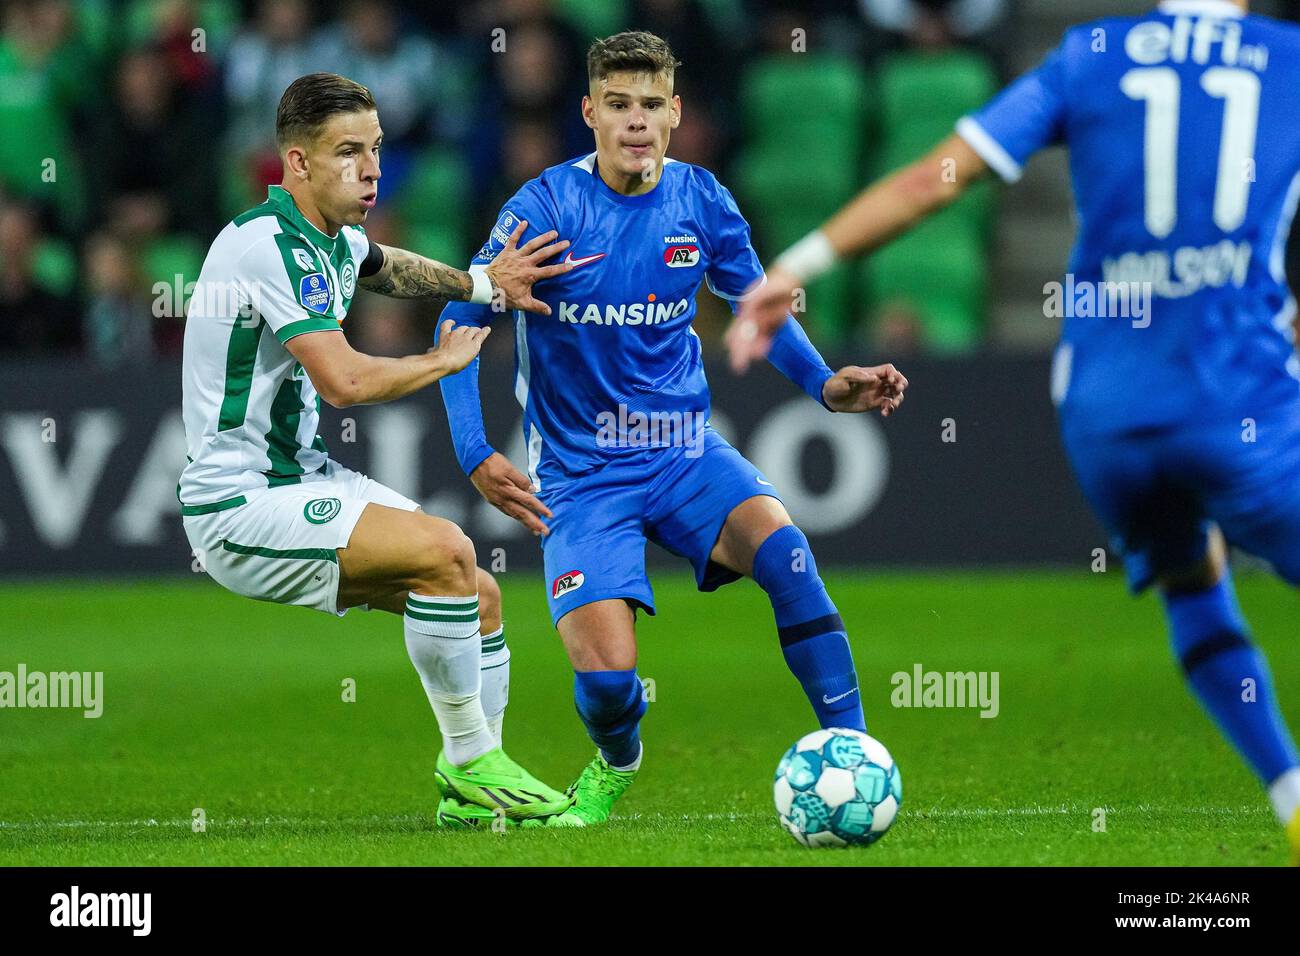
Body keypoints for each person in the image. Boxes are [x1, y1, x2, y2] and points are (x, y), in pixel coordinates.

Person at [730, 0, 1300, 863]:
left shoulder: (1090, 54)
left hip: (1105, 410)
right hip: (1236, 397)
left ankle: (1292, 796)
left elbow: (934, 179)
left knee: (1192, 581)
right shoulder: (1285, 59)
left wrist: (795, 270)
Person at [438, 32, 908, 825]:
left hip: (683, 451)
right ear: (589, 113)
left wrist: (827, 384)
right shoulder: (544, 208)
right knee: (611, 684)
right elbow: (458, 315)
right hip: (580, 474)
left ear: (675, 113)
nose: (636, 122)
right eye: (618, 105)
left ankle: (857, 753)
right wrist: (475, 450)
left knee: (789, 556)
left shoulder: (702, 201)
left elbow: (760, 304)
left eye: (651, 105)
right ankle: (618, 759)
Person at [180, 72, 580, 828]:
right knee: (447, 549)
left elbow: (386, 266)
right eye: (346, 153)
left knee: (476, 594)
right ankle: (469, 765)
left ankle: (471, 797)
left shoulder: (330, 238)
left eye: (375, 150)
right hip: (237, 501)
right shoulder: (268, 247)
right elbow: (344, 380)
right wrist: (440, 362)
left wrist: (485, 283)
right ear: (295, 164)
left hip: (298, 477)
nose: (370, 170)